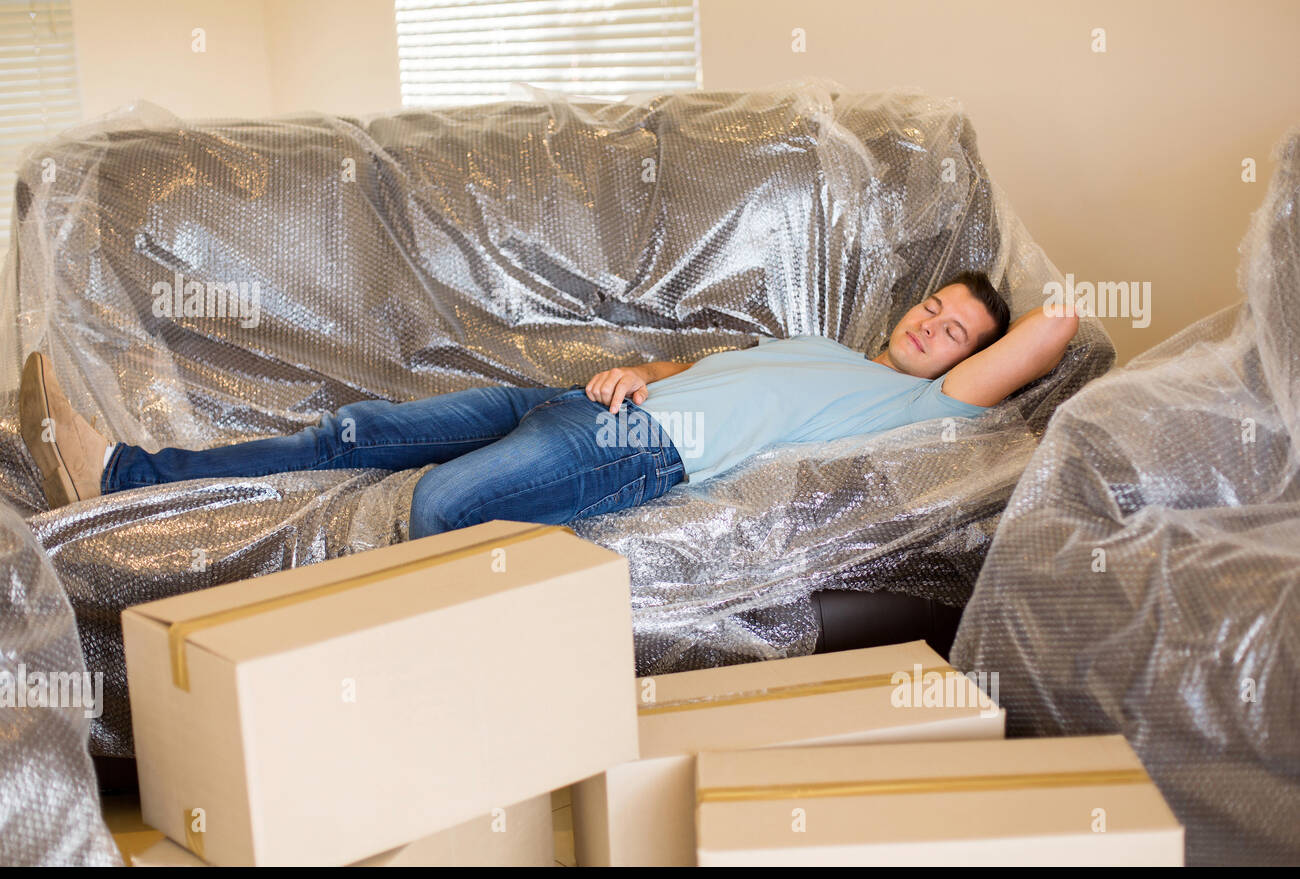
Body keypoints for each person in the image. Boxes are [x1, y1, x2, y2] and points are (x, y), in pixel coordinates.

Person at [19, 270, 1079, 538]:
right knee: (352, 431)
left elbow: (1055, 328)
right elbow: (696, 372)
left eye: (957, 330)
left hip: (642, 456)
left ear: (971, 362)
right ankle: (121, 475)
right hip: (584, 399)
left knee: (435, 506)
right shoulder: (815, 343)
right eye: (933, 306)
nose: (934, 324)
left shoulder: (920, 406)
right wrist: (639, 370)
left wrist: (1015, 321)